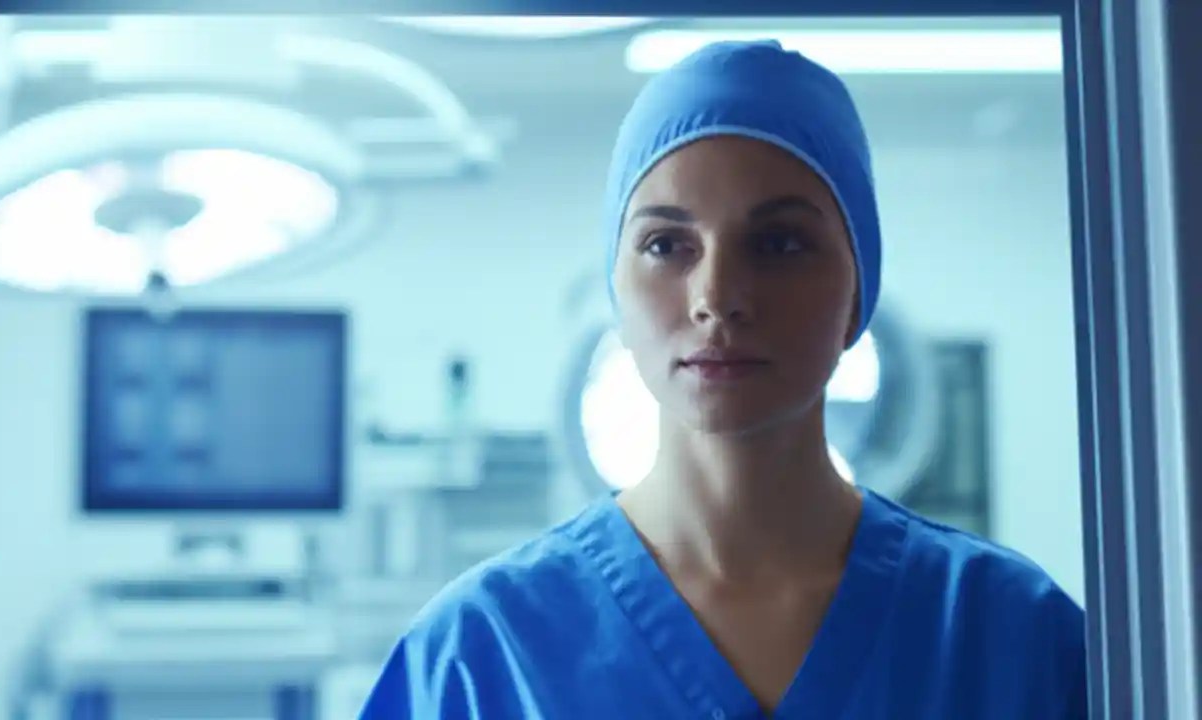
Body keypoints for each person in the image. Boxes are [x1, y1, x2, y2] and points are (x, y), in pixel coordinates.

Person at [358, 40, 1087, 719]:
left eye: (778, 242)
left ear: (858, 289)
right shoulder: (482, 655)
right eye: (666, 243)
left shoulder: (1010, 635)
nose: (717, 294)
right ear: (616, 290)